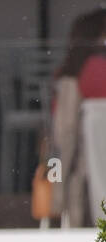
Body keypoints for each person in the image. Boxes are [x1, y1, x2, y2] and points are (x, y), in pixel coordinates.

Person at [50, 8, 106, 226]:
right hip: (77, 159)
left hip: (70, 161)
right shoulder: (92, 69)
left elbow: (61, 137)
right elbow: (66, 133)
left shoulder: (69, 74)